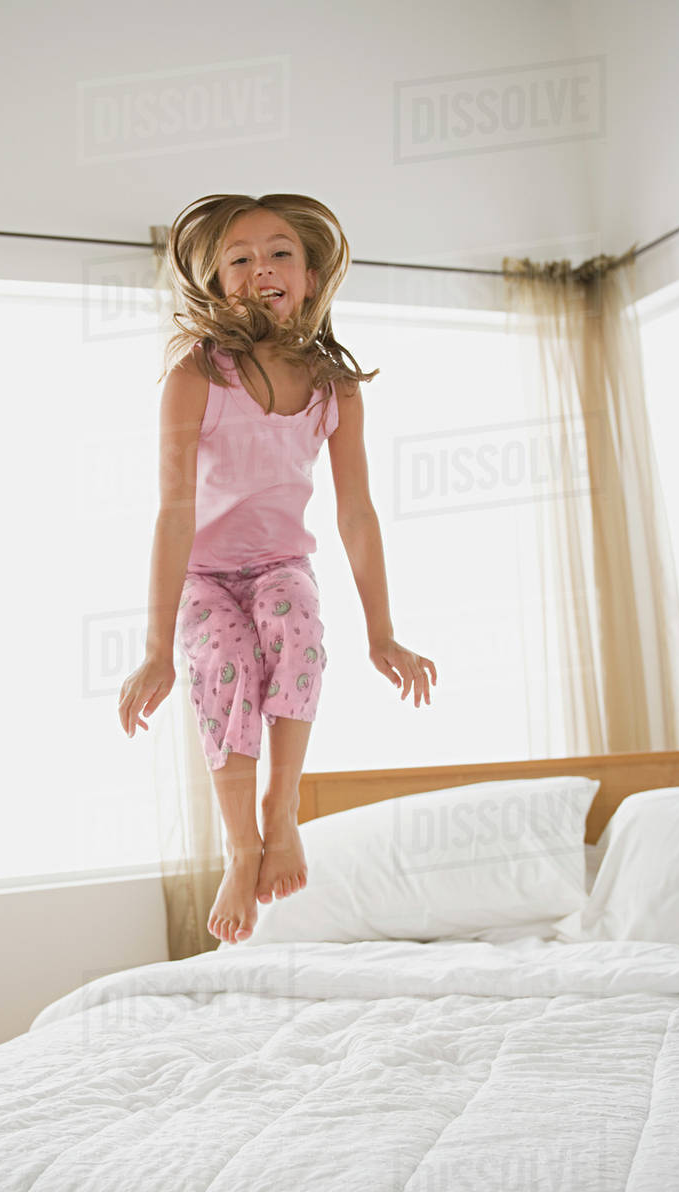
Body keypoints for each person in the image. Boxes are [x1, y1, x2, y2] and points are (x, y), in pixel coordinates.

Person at [118, 193, 437, 945]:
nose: (260, 266)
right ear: (215, 280)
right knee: (226, 661)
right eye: (238, 257)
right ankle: (239, 845)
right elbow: (172, 512)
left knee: (294, 625)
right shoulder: (196, 375)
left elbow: (356, 512)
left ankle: (280, 812)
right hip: (203, 574)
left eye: (279, 252)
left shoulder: (335, 386)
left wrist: (383, 632)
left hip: (279, 563)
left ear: (312, 273)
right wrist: (155, 650)